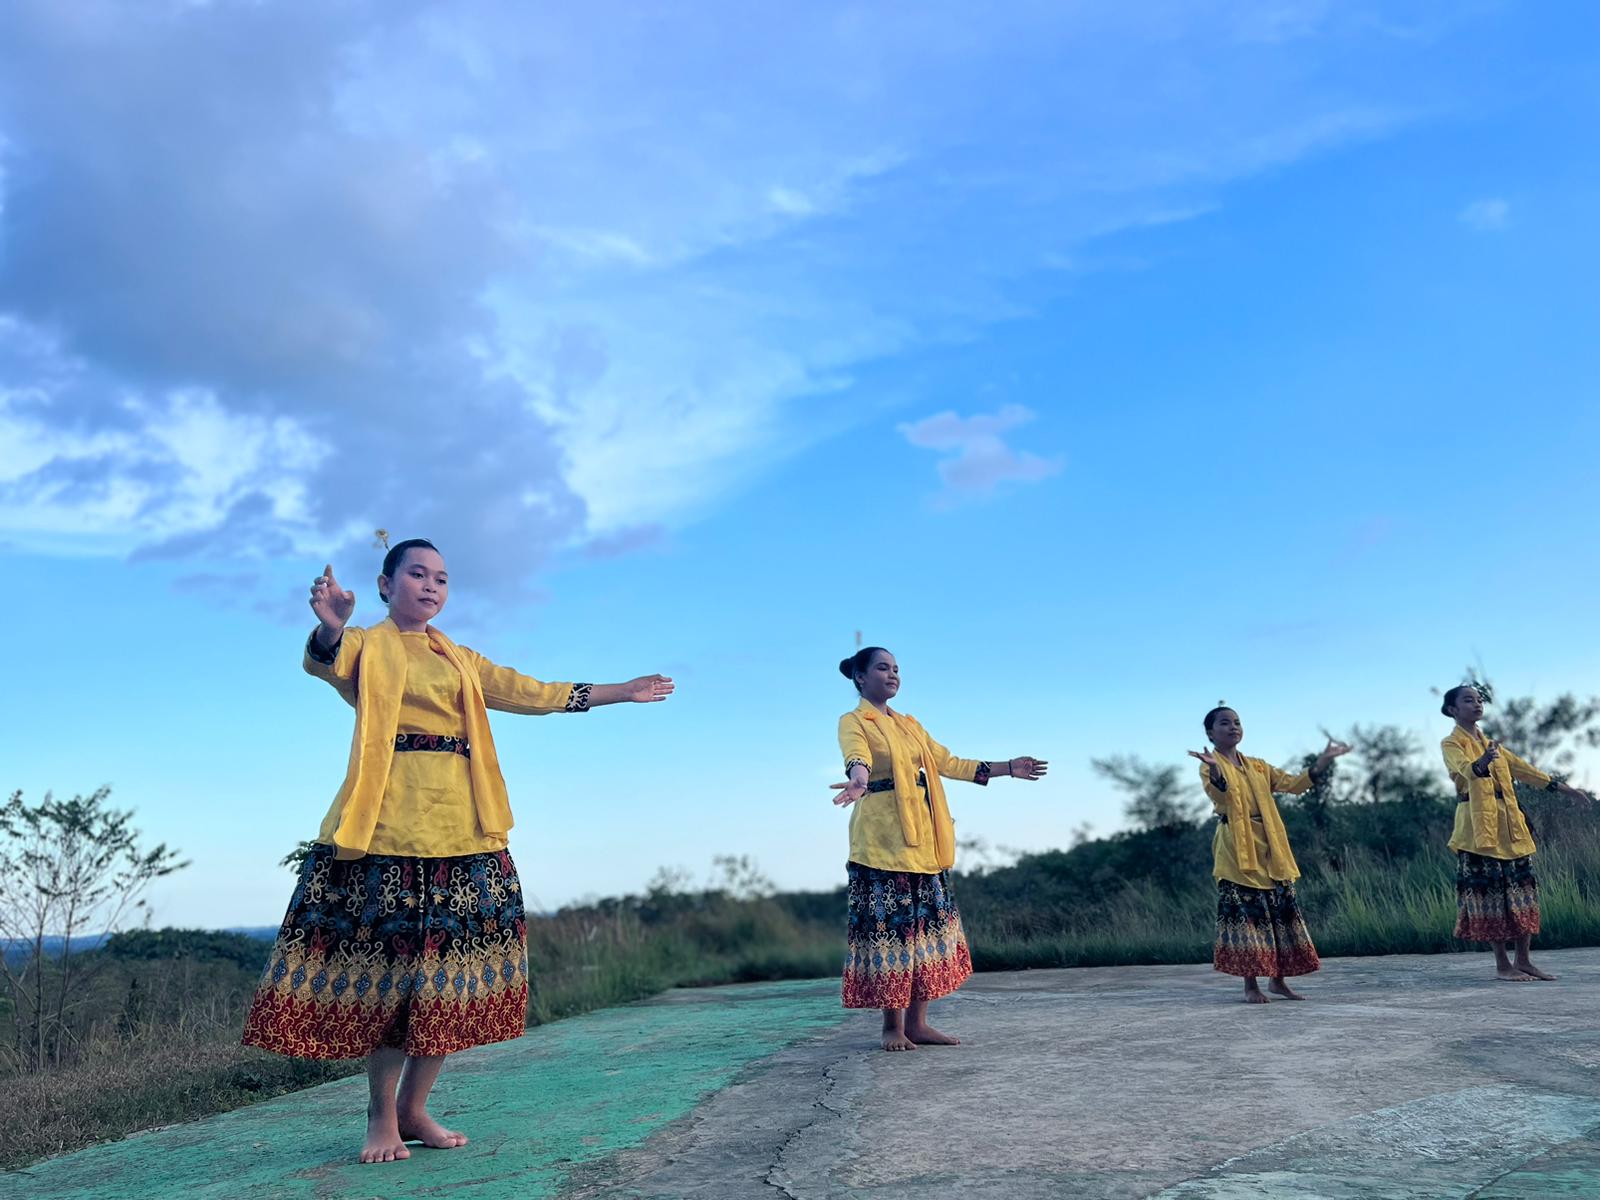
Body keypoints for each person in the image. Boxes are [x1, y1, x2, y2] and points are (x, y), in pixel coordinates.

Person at [242, 538, 674, 1163]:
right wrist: (331, 626)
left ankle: (415, 1109)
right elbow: (328, 662)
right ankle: (381, 1116)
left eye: (442, 578)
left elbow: (534, 692)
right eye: (417, 574)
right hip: (387, 835)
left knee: (450, 981)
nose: (431, 586)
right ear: (386, 585)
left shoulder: (461, 658)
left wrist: (621, 690)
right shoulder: (368, 644)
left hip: (467, 834)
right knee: (394, 982)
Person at [830, 646, 1047, 1051]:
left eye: (896, 669)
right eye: (882, 668)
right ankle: (891, 1028)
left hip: (925, 841)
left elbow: (948, 762)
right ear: (860, 677)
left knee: (926, 932)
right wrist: (858, 779)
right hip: (881, 843)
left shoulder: (911, 725)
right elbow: (855, 757)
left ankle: (919, 1024)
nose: (892, 674)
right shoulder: (855, 721)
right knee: (891, 934)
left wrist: (1006, 768)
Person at [1188, 704, 1349, 1004]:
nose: (1233, 727)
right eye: (1225, 723)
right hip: (1237, 847)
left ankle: (1278, 981)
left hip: (1270, 847)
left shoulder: (1259, 766)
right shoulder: (1210, 765)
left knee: (1279, 912)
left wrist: (1323, 760)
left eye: (1236, 722)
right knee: (1249, 916)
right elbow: (1219, 795)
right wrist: (1213, 768)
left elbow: (1294, 784)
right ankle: (1251, 986)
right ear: (1211, 733)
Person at [1439, 683, 1588, 982]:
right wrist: (1482, 762)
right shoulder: (1452, 743)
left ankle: (1524, 960)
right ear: (1453, 710)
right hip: (1479, 832)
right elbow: (1466, 770)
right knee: (1493, 896)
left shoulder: (1492, 743)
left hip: (1512, 829)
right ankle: (1502, 965)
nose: (1476, 704)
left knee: (1523, 893)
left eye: (1479, 699)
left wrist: (1567, 790)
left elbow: (1526, 771)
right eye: (1468, 700)